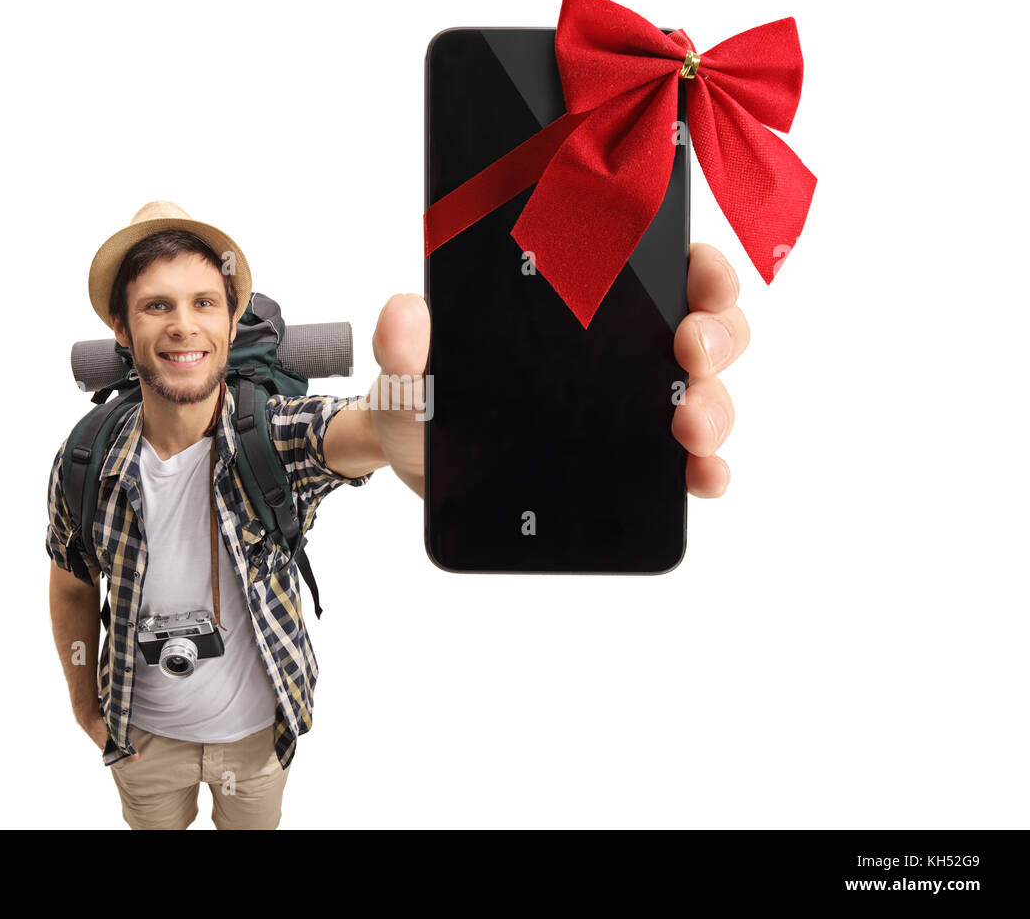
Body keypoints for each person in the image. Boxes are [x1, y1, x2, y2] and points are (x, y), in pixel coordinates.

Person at [46, 200, 749, 829]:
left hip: (260, 739)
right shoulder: (85, 461)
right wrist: (87, 708)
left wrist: (419, 418)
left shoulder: (270, 436)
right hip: (139, 740)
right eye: (157, 306)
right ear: (120, 326)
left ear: (231, 321)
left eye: (204, 302)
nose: (183, 326)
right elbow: (73, 584)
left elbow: (363, 426)